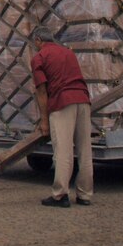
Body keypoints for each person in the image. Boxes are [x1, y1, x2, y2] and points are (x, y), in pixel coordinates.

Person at [30, 25, 93, 207]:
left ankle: (60, 195)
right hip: (83, 100)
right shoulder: (68, 53)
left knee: (63, 151)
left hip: (62, 102)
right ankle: (85, 195)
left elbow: (42, 91)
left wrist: (44, 121)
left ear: (38, 40)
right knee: (84, 150)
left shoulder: (39, 57)